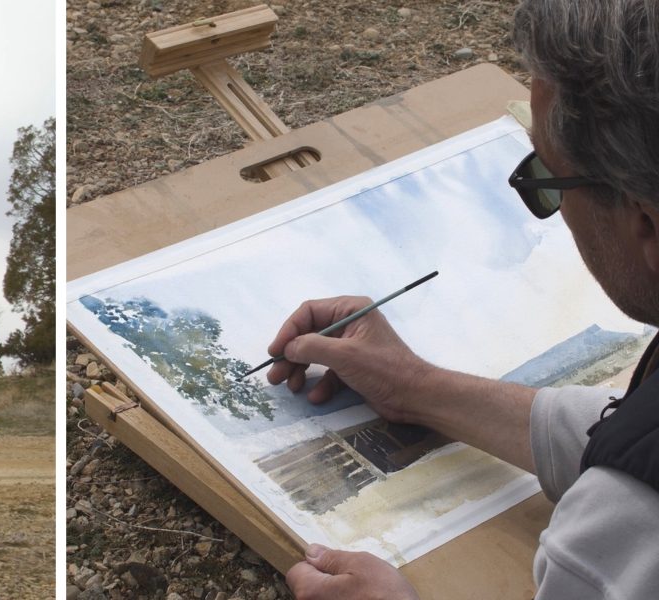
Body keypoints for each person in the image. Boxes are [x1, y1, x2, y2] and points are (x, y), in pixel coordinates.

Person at [272, 1, 659, 598]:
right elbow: (628, 435)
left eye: (546, 179)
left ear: (647, 223)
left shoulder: (623, 534)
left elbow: (634, 475)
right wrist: (413, 387)